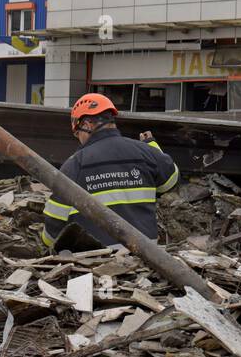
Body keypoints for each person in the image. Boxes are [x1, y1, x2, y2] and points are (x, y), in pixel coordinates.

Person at [41, 93, 180, 251]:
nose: (78, 138)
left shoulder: (74, 165)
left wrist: (45, 243)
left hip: (96, 263)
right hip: (147, 259)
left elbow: (52, 232)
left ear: (87, 124)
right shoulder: (145, 152)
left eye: (77, 133)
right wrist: (152, 147)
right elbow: (171, 181)